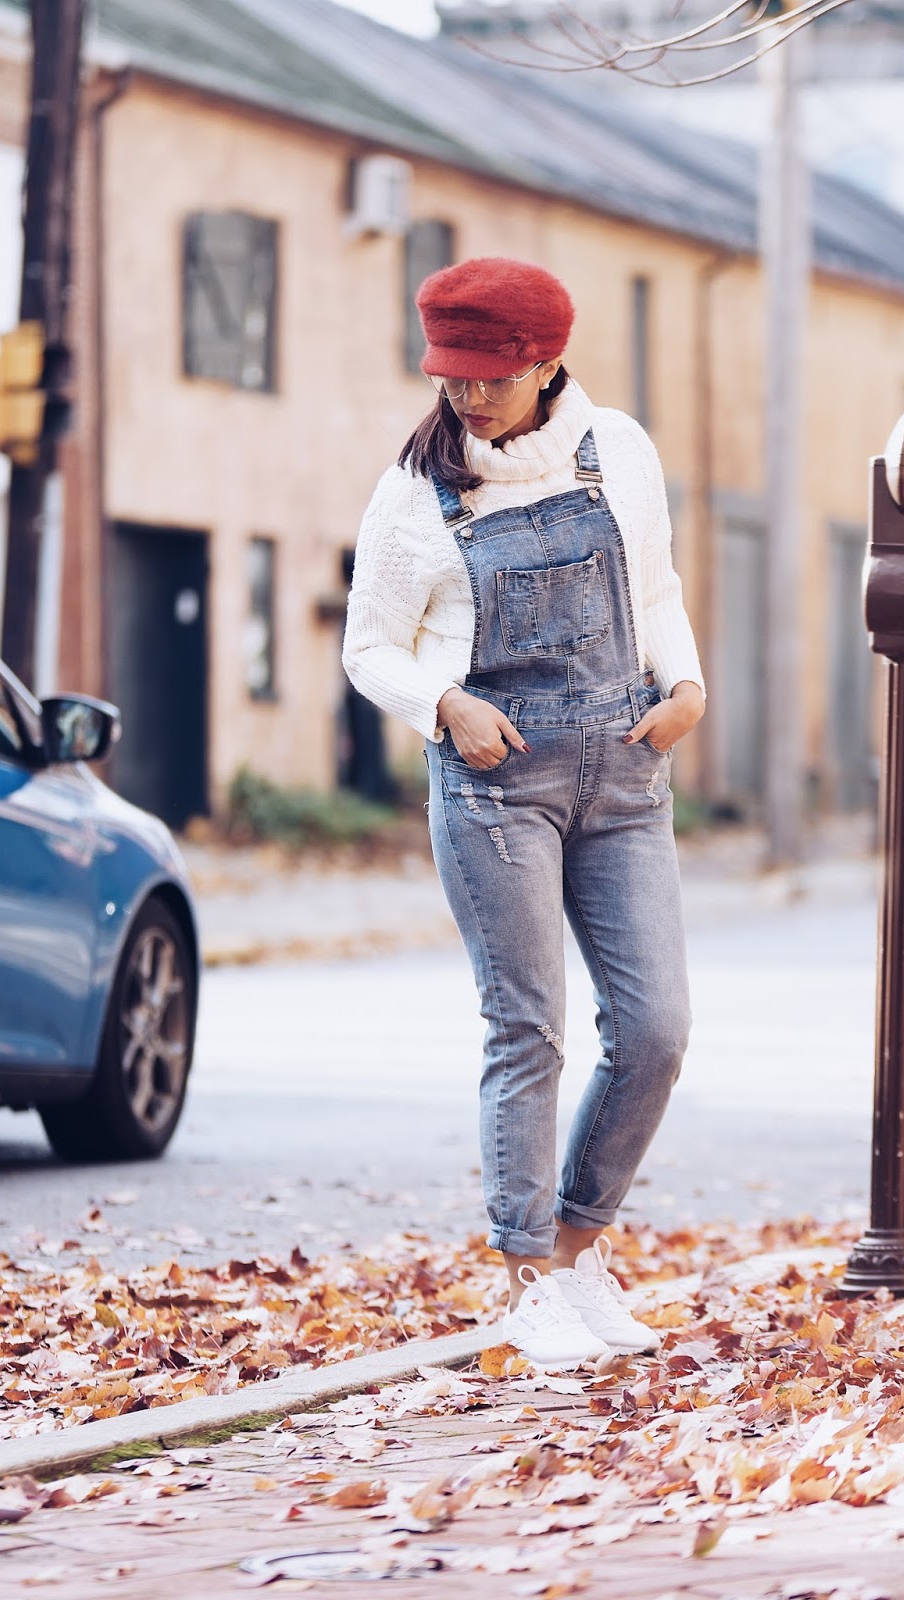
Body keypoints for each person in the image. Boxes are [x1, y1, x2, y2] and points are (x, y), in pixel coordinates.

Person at [343, 257, 705, 1367]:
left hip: (625, 772)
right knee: (528, 1028)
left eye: (490, 377)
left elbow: (654, 591)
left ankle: (580, 1244)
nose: (468, 398)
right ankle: (526, 1277)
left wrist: (687, 685)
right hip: (496, 784)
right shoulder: (417, 495)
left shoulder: (621, 453)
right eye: (451, 377)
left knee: (655, 1030)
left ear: (548, 360)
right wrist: (444, 702)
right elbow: (367, 647)